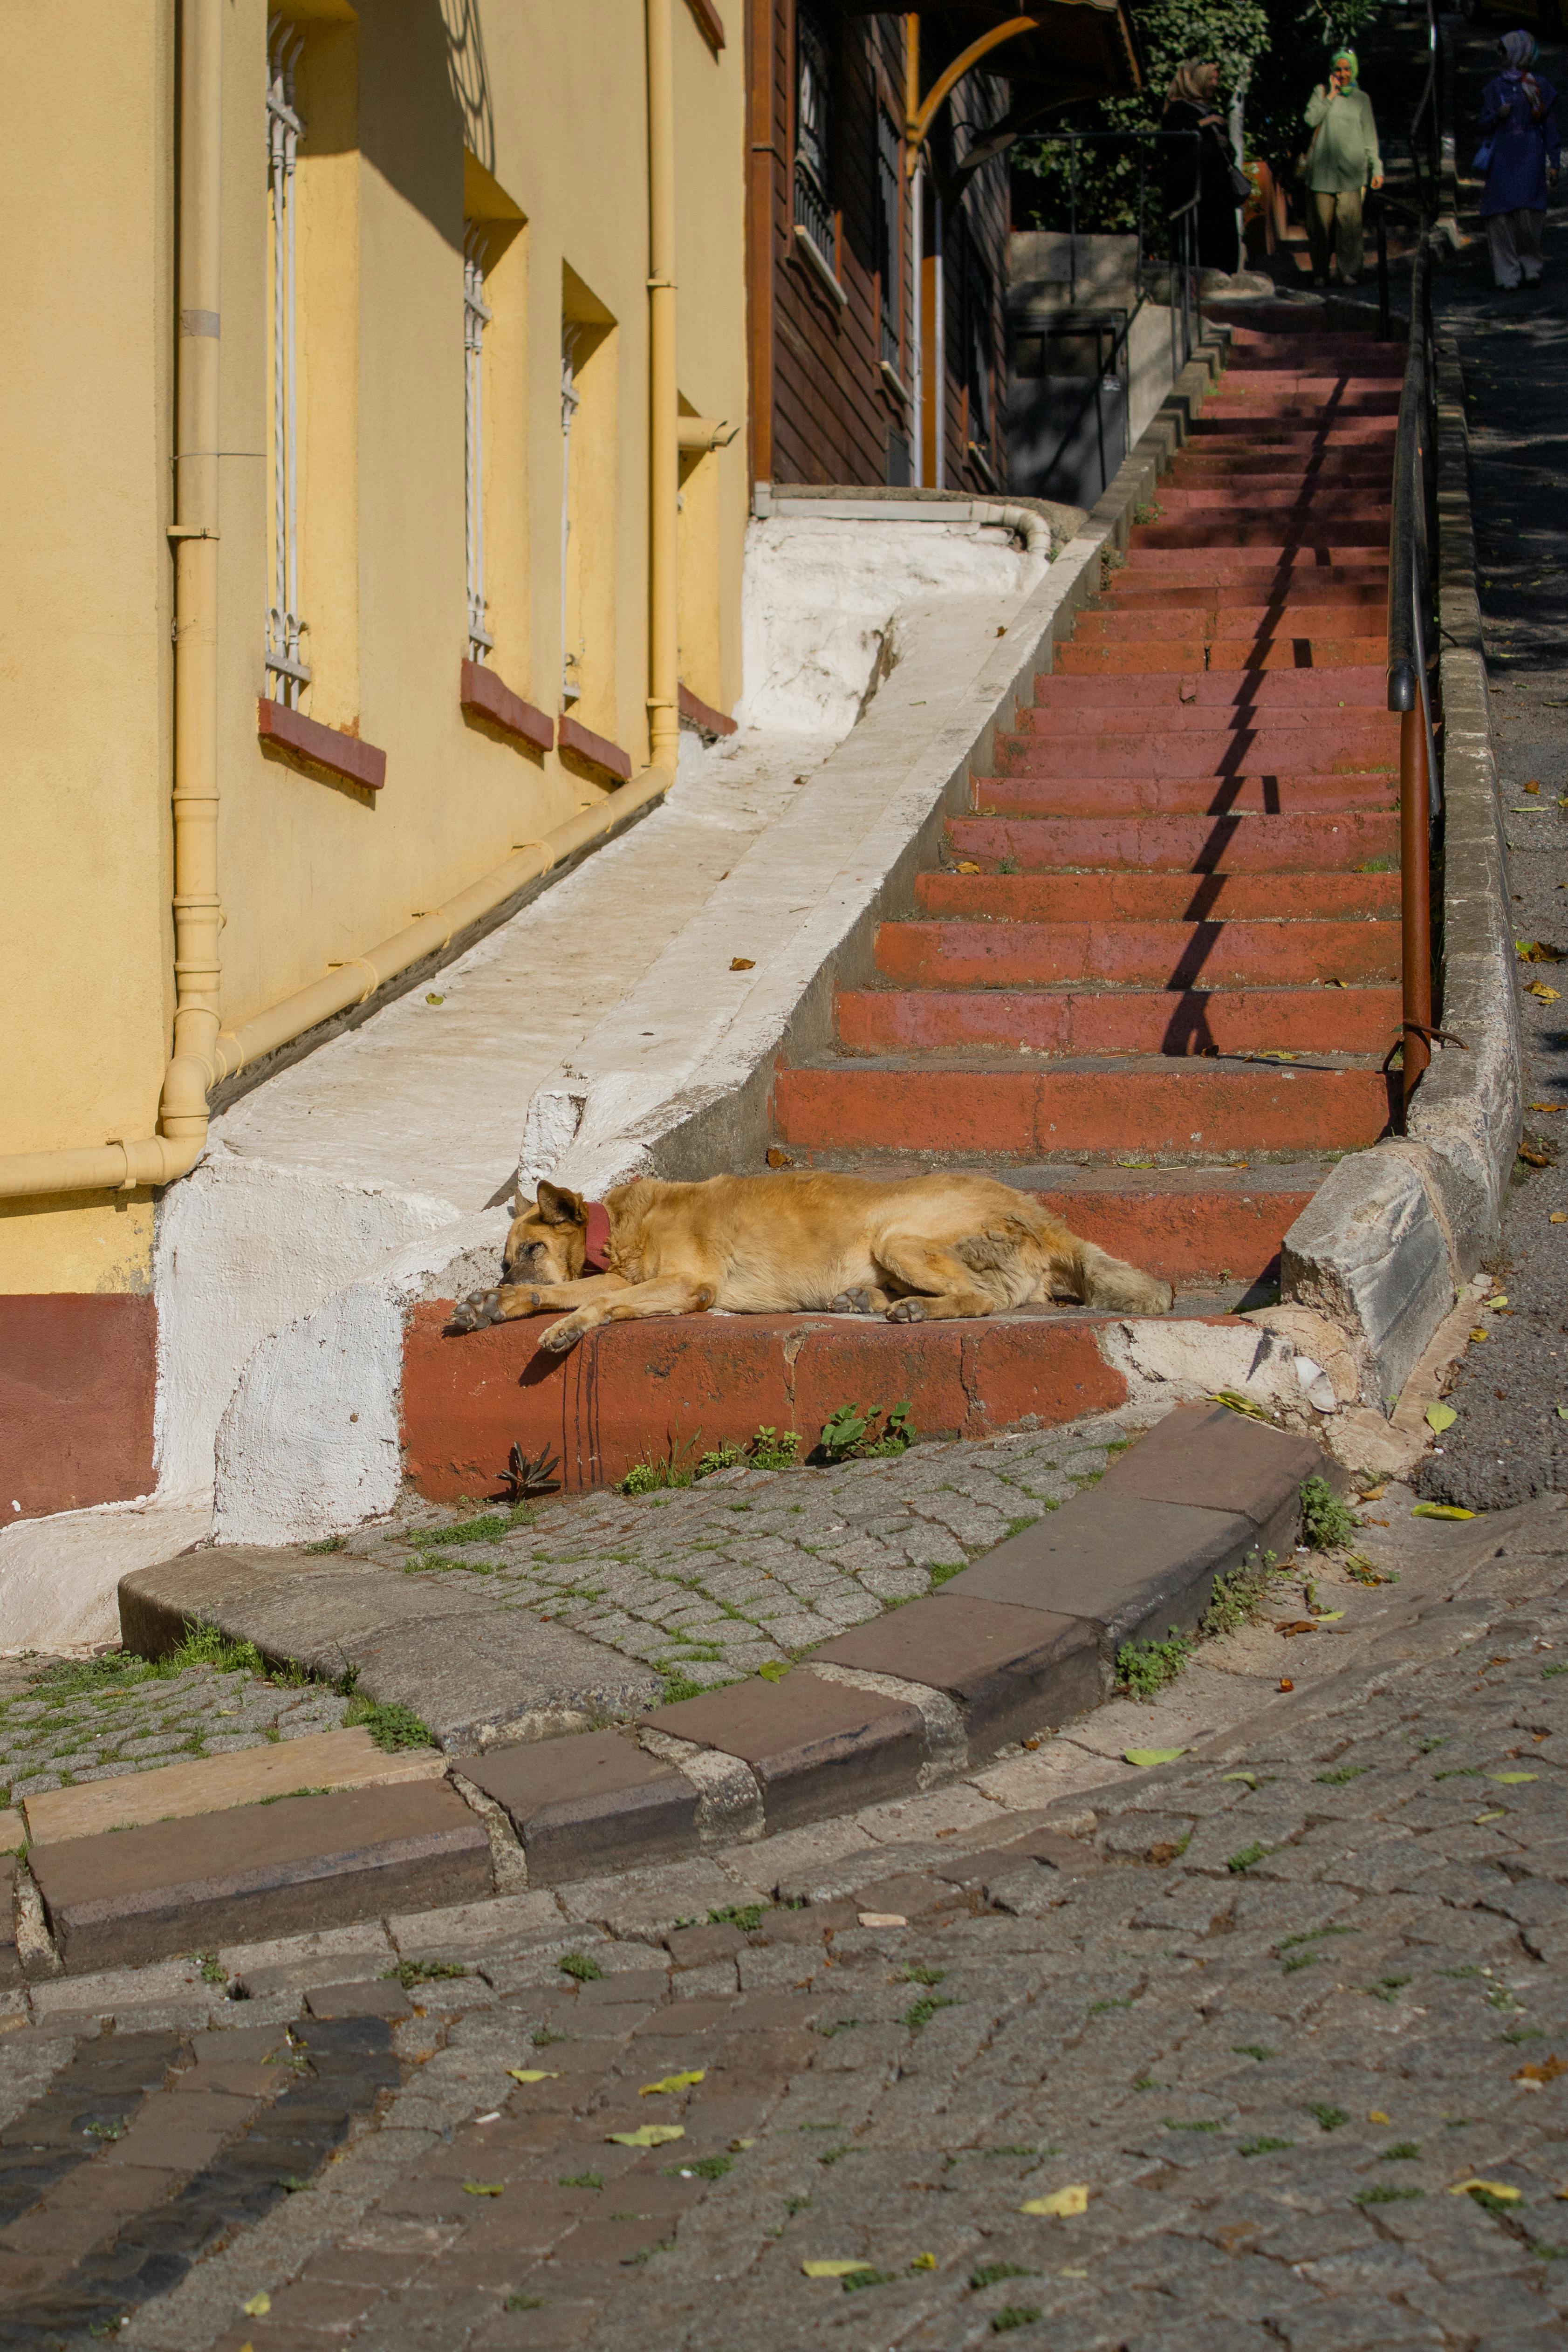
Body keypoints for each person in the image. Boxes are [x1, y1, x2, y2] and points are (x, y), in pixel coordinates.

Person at [1477, 31, 1560, 290]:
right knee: (1500, 215)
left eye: (1504, 51)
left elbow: (1550, 126)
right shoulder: (1495, 88)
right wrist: (1497, 116)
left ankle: (1531, 266)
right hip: (1503, 157)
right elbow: (1483, 123)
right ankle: (1507, 274)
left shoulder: (1539, 87)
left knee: (1529, 214)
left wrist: (1554, 162)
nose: (1500, 57)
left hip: (1531, 156)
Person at [1303, 51, 1383, 287]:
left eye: (1347, 69)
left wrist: (1376, 168)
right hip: (1322, 173)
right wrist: (1330, 96)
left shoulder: (1361, 99)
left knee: (1349, 226)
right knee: (1321, 227)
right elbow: (1310, 120)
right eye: (1338, 70)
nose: (1343, 74)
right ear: (1332, 72)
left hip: (1351, 172)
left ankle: (1348, 271)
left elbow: (1370, 137)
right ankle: (1320, 271)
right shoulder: (1321, 93)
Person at [1163, 60, 1241, 275]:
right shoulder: (1179, 109)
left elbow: (1228, 152)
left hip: (1217, 190)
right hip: (1193, 190)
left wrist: (1225, 145)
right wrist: (1205, 124)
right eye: (1210, 79)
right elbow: (1174, 138)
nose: (1215, 84)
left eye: (1216, 79)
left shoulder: (1210, 110)